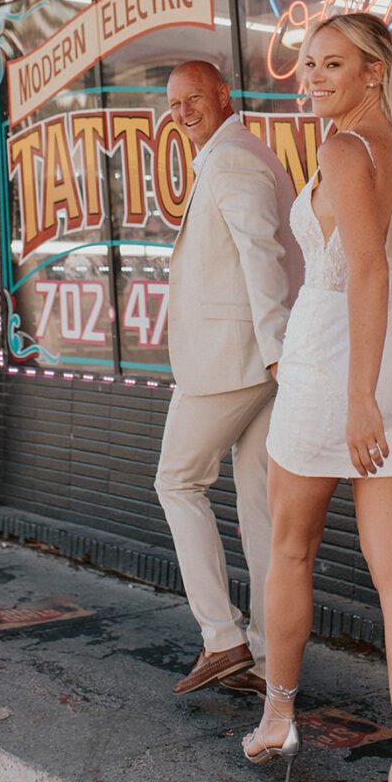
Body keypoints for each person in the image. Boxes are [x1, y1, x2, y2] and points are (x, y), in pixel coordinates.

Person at [242, 13, 392, 782]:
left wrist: (357, 399)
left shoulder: (343, 149)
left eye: (333, 64)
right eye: (307, 65)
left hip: (337, 373)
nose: (313, 78)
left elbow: (368, 274)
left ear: (376, 72)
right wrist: (376, 393)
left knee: (290, 549)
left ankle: (277, 717)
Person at [157, 59, 303, 698]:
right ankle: (270, 660)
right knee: (258, 503)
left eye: (194, 98)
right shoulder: (229, 154)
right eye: (174, 102)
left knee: (177, 481)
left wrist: (275, 348)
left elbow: (263, 253)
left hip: (236, 358)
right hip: (258, 357)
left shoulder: (234, 158)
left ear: (224, 95)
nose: (183, 111)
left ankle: (222, 637)